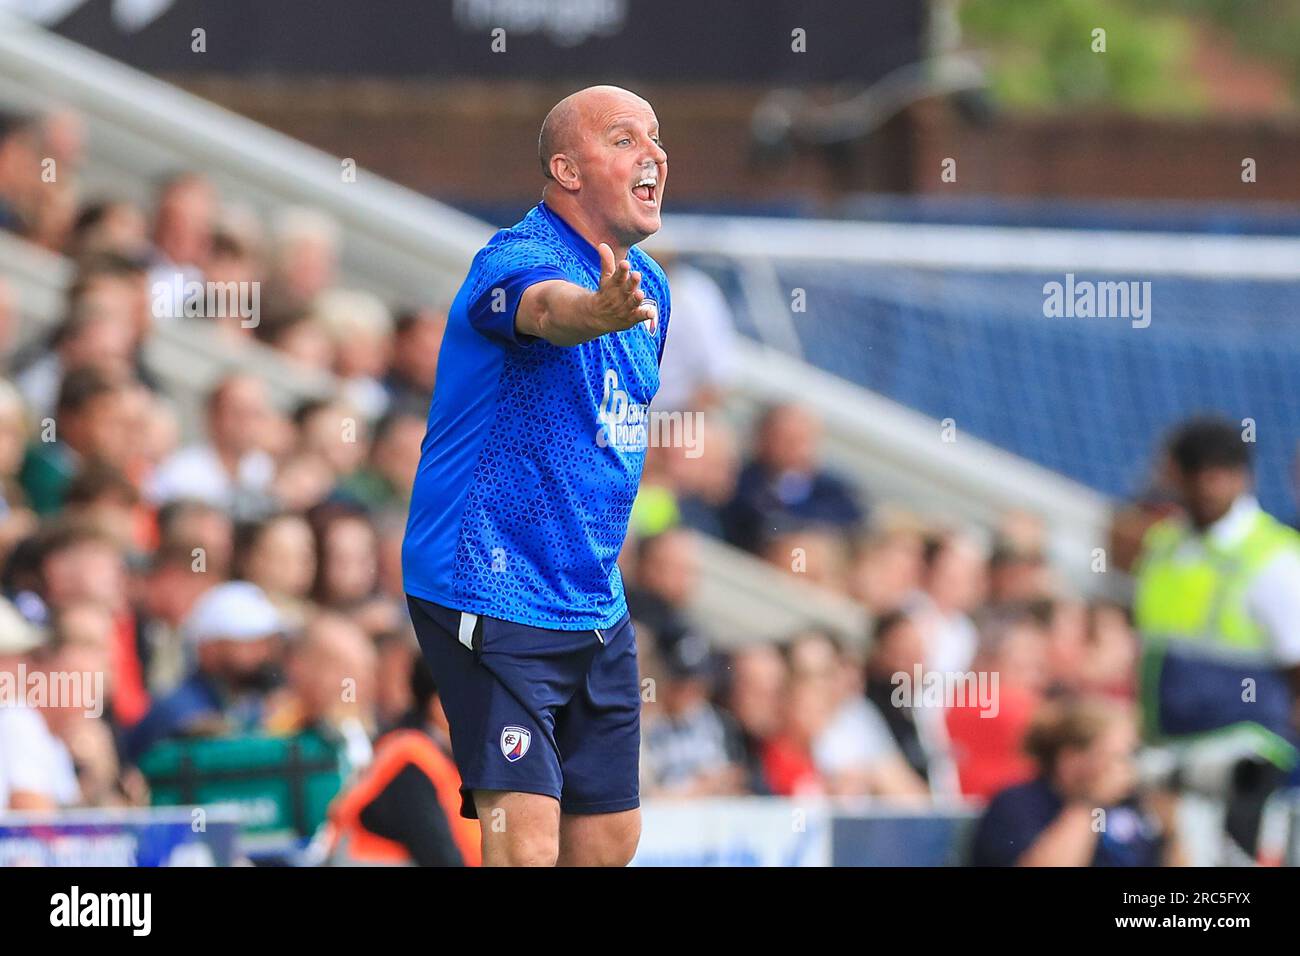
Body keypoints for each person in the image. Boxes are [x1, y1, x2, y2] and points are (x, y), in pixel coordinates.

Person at [401, 85, 668, 867]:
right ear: (566, 170)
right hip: (489, 582)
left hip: (591, 597)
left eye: (656, 138)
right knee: (525, 846)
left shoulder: (650, 286)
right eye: (624, 139)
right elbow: (550, 312)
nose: (654, 155)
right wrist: (594, 314)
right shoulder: (514, 259)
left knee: (610, 837)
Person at [1131, 416, 1300, 859]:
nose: (1208, 487)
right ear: (1176, 476)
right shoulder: (1163, 545)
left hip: (1245, 757)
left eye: (1220, 473)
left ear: (1243, 477)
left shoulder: (1275, 558)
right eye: (1197, 473)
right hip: (1165, 751)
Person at [970, 698, 1181, 866]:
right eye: (1118, 757)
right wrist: (1088, 804)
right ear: (1070, 760)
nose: (1128, 767)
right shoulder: (1018, 803)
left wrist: (1170, 832)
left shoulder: (1128, 804)